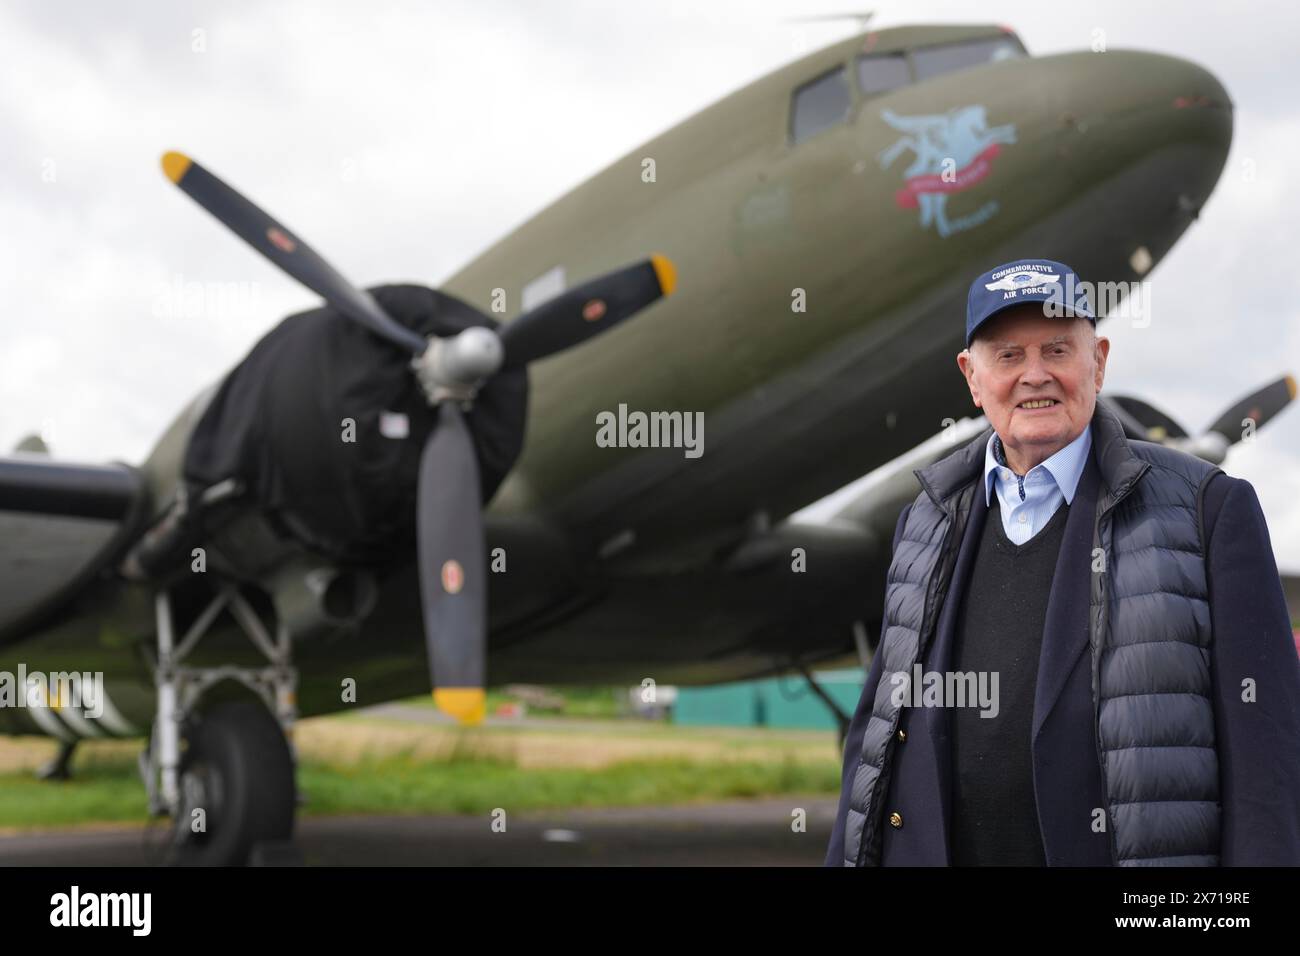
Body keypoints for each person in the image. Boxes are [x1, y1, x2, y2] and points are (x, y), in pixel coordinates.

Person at [826, 258, 1300, 866]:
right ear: (972, 377)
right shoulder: (924, 521)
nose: (1035, 376)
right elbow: (874, 741)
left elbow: (1268, 763)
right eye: (1008, 356)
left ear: (1098, 362)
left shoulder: (1210, 510)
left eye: (1057, 349)